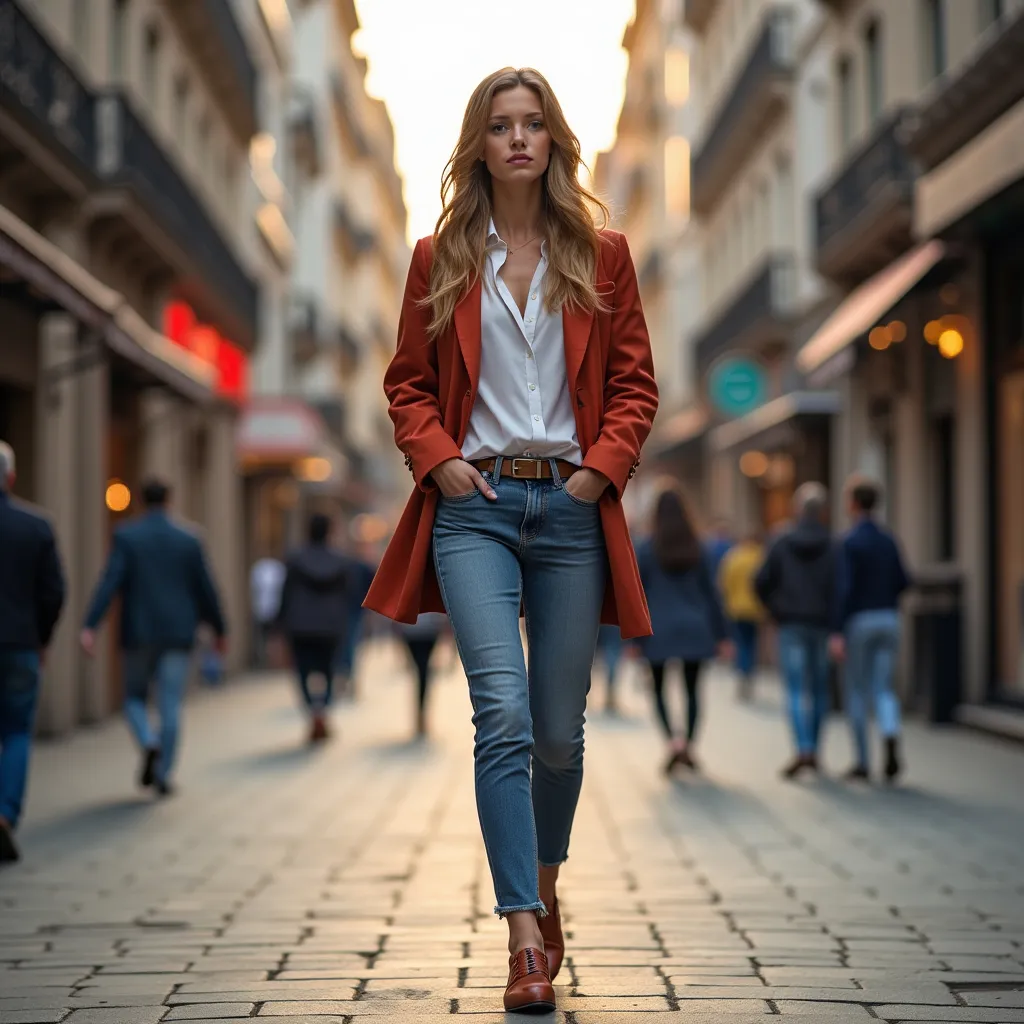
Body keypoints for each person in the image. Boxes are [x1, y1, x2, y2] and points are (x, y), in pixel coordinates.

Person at [362, 67, 658, 1014]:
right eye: (502, 126)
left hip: (570, 511)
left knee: (561, 738)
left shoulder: (602, 255)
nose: (519, 139)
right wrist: (441, 461)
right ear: (480, 144)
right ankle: (524, 933)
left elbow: (634, 387)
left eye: (534, 124)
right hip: (475, 507)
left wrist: (598, 470)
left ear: (554, 140)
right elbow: (407, 382)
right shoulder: (439, 255)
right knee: (505, 716)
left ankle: (546, 873)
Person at [81, 478, 225, 797]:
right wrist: (220, 628)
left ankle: (148, 740)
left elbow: (110, 581)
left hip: (139, 632)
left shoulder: (127, 536)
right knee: (170, 702)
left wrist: (90, 624)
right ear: (170, 500)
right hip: (178, 633)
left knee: (133, 696)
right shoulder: (189, 539)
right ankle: (163, 773)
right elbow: (206, 589)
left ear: (141, 501)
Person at [0, 442, 65, 863]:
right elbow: (54, 591)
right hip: (21, 644)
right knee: (17, 732)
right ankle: (5, 814)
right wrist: (42, 637)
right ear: (11, 477)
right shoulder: (35, 525)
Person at [636, 489, 731, 775]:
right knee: (692, 690)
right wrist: (723, 634)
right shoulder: (699, 547)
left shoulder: (646, 548)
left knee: (659, 689)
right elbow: (712, 593)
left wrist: (632, 637)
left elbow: (638, 594)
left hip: (658, 629)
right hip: (695, 627)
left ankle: (673, 744)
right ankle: (688, 744)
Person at [755, 482, 839, 780]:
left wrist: (775, 609)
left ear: (797, 509)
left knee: (794, 689)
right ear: (824, 512)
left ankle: (802, 749)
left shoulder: (781, 540)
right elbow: (840, 587)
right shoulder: (833, 544)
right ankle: (814, 750)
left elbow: (761, 580)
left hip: (789, 623)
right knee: (818, 689)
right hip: (821, 624)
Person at [830, 475, 911, 783]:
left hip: (860, 622)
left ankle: (862, 761)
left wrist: (837, 630)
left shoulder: (848, 542)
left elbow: (843, 589)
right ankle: (890, 733)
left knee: (857, 690)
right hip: (889, 619)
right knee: (884, 687)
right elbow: (904, 580)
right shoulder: (889, 539)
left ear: (853, 504)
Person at [276, 513, 351, 743]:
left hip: (301, 625)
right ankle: (324, 708)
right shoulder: (340, 561)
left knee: (302, 671)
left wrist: (278, 626)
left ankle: (312, 710)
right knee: (329, 671)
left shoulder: (295, 559)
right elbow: (348, 595)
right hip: (330, 625)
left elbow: (285, 594)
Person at [719, 531, 766, 700]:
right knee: (751, 642)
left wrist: (727, 600)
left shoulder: (734, 557)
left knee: (740, 641)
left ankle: (742, 670)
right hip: (755, 609)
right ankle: (748, 671)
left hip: (736, 607)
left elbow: (725, 581)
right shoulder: (760, 557)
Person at [397, 612, 448, 738]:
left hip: (422, 629)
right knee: (423, 672)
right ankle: (421, 715)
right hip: (420, 629)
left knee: (422, 671)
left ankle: (421, 715)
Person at [250, 553, 285, 669]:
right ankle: (267, 661)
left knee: (269, 636)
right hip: (268, 609)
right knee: (268, 636)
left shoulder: (262, 569)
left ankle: (269, 661)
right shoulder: (274, 569)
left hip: (268, 609)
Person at [593, 624, 625, 714]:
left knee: (612, 671)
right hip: (610, 640)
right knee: (611, 671)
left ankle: (610, 698)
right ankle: (609, 699)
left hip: (612, 641)